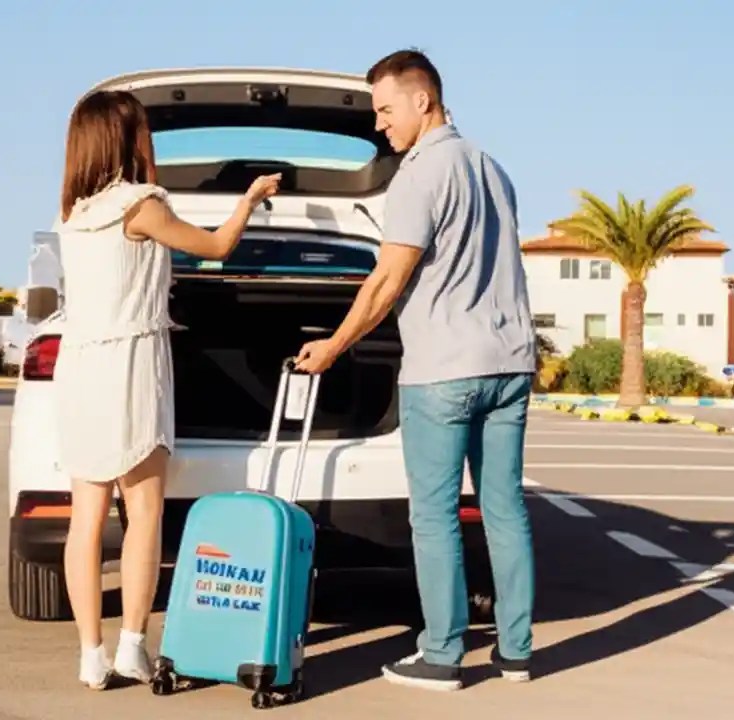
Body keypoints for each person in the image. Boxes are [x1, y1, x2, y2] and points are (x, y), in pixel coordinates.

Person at [294, 49, 538, 690]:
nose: (379, 125)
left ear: (421, 100)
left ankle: (442, 654)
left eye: (384, 109)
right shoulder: (492, 167)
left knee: (431, 516)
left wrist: (334, 346)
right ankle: (515, 652)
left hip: (444, 372)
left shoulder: (419, 175)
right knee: (504, 507)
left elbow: (386, 282)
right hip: (509, 364)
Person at [53, 89, 281, 690]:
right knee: (144, 510)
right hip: (130, 365)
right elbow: (215, 248)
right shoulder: (140, 205)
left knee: (86, 518)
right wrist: (250, 200)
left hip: (80, 366)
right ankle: (132, 644)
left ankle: (88, 656)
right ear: (128, 139)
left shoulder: (72, 213)